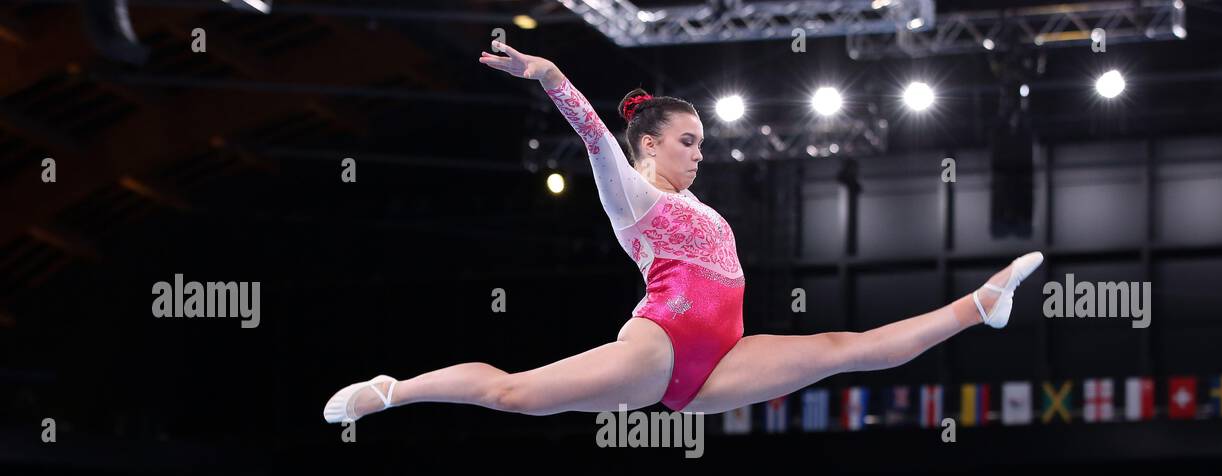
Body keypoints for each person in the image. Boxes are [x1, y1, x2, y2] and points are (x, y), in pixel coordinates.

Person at [324, 40, 1043, 424]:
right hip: (661, 345)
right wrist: (549, 75)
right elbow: (595, 137)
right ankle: (394, 390)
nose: (700, 154)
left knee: (843, 350)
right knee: (513, 395)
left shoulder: (703, 208)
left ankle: (981, 304)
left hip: (719, 359)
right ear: (652, 145)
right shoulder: (631, 193)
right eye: (689, 141)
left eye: (702, 142)